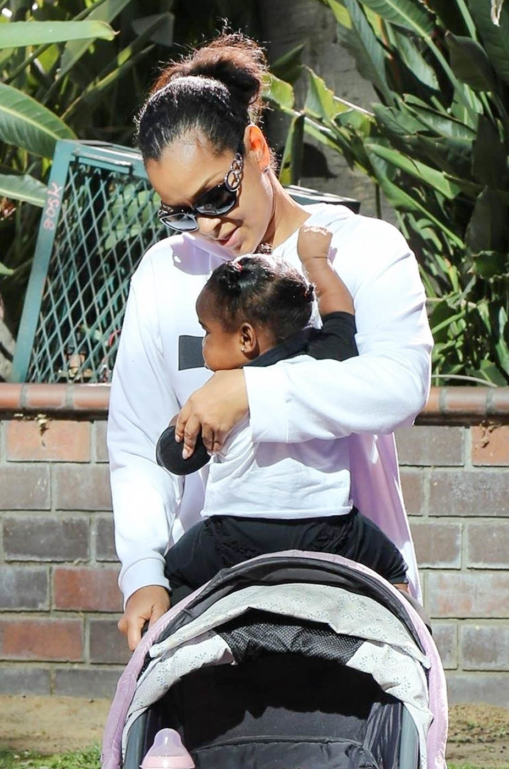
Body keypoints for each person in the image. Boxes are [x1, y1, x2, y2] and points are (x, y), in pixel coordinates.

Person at [107, 33, 433, 650]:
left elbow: (399, 386)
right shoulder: (163, 274)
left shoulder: (361, 250)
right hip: (213, 596)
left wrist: (249, 390)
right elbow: (135, 441)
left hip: (353, 591)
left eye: (216, 194)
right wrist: (145, 572)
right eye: (181, 211)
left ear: (254, 147)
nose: (207, 224)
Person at [157, 226, 410, 604]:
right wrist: (317, 263)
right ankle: (408, 628)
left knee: (173, 572)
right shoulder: (327, 357)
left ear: (246, 338)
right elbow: (341, 315)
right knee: (392, 568)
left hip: (235, 537)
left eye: (206, 332)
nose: (203, 345)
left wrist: (170, 443)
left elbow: (176, 457)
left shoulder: (220, 395)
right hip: (330, 530)